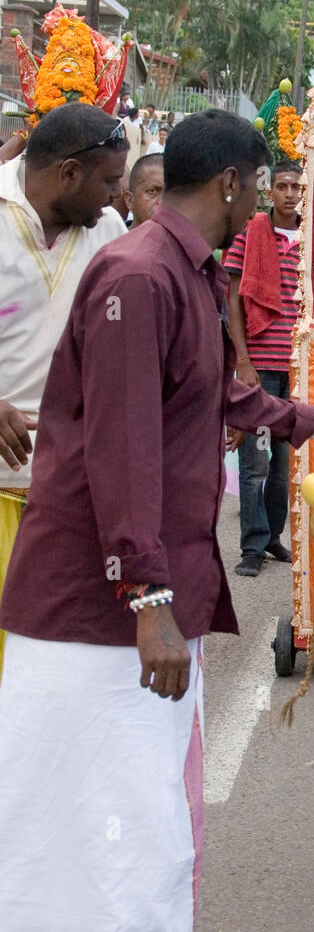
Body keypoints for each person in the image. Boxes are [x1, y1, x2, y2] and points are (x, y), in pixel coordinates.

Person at [0, 110, 314, 932]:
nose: (261, 206)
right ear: (234, 185)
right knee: (99, 801)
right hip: (100, 609)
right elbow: (121, 448)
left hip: (138, 597)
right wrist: (150, 597)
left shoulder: (184, 270)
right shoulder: (139, 275)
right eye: (261, 189)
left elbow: (219, 397)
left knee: (134, 801)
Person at [0, 104, 127, 673]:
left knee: (43, 681)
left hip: (68, 501)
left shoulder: (109, 232)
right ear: (70, 174)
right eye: (108, 181)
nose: (117, 195)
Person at [225, 161, 303, 573]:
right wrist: (243, 362)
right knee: (255, 460)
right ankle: (251, 548)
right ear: (269, 192)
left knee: (284, 464)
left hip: (299, 366)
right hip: (260, 366)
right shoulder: (250, 234)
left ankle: (272, 537)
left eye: (297, 187)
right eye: (283, 186)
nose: (290, 193)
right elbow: (233, 298)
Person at [125, 153, 165, 227]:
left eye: (169, 194)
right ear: (130, 200)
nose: (162, 203)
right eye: (152, 191)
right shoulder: (112, 236)